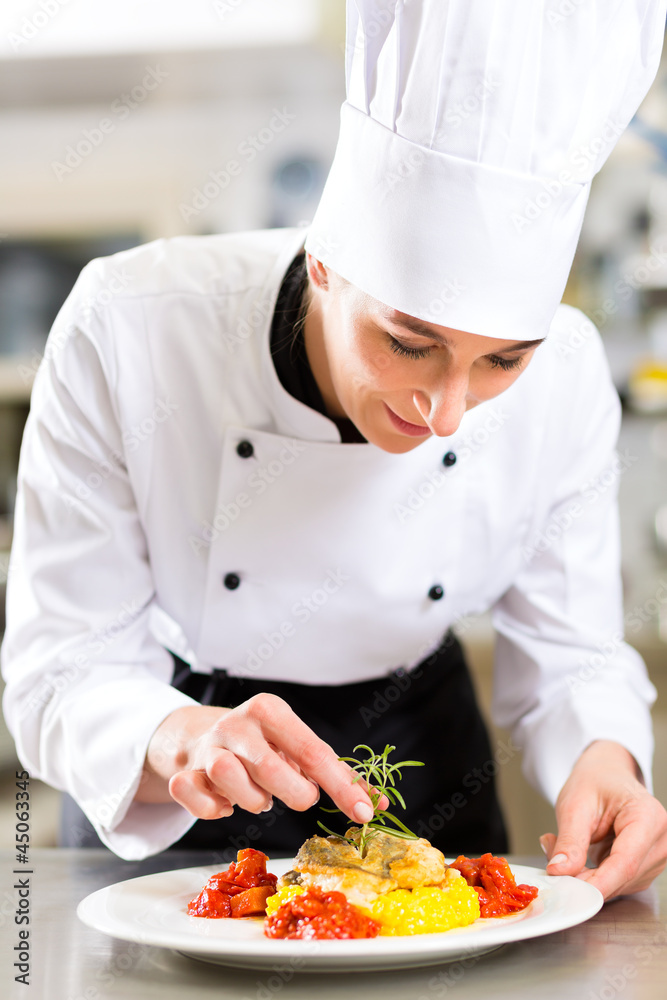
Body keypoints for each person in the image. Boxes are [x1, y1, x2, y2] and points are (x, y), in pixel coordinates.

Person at [2, 1, 667, 901]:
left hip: (422, 768)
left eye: (500, 361)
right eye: (407, 342)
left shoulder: (569, 372)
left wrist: (606, 757)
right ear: (324, 262)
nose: (445, 413)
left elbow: (569, 648)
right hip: (178, 775)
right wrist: (170, 739)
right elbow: (61, 668)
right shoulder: (131, 330)